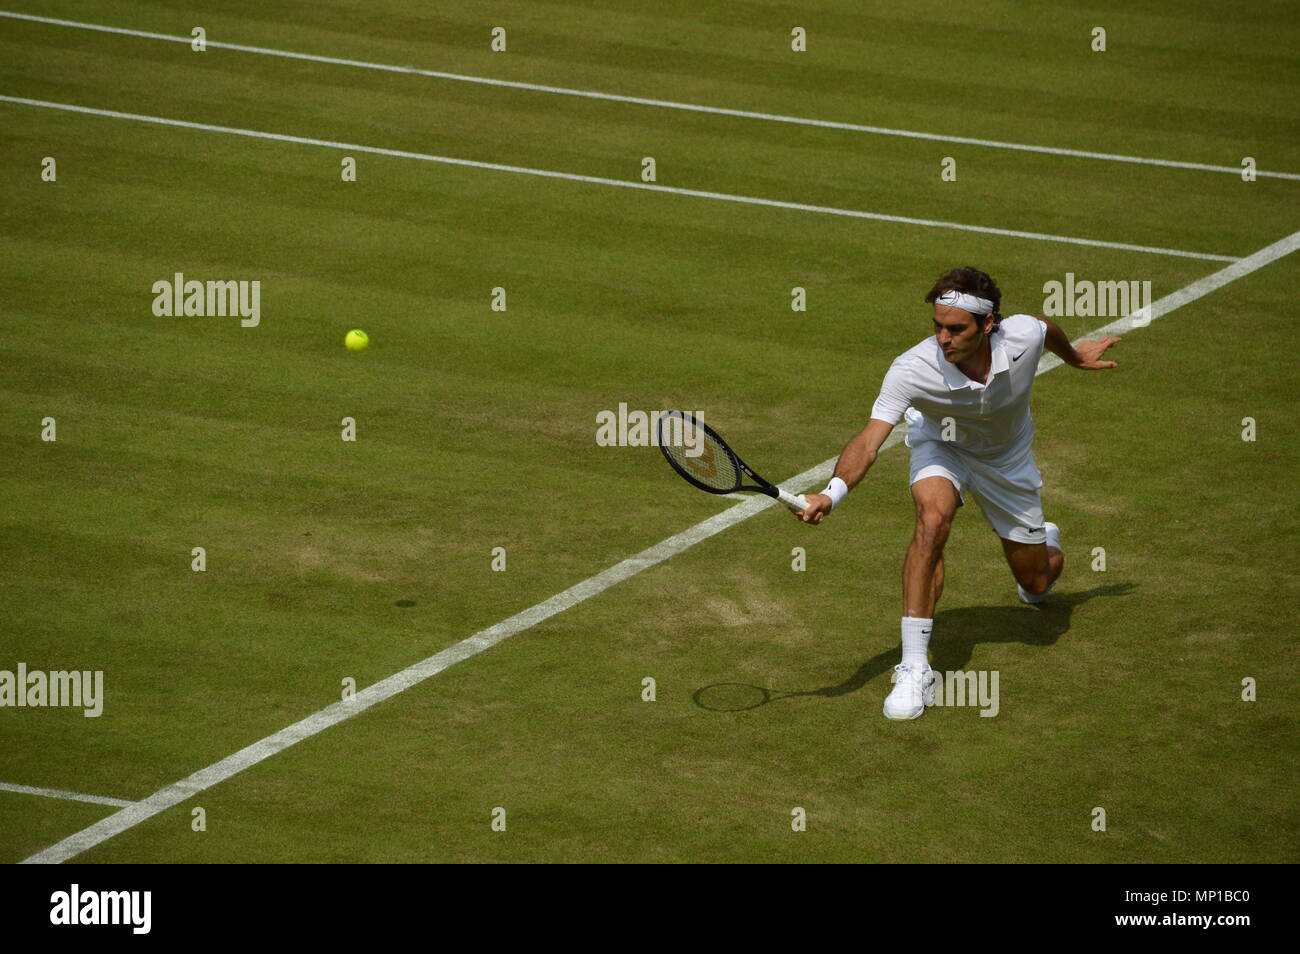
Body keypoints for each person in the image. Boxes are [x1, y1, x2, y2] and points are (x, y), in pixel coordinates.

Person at [795, 266, 1121, 720]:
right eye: (937, 326)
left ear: (988, 324)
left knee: (1038, 584)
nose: (944, 338)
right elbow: (870, 440)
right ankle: (914, 667)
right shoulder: (912, 368)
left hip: (1007, 461)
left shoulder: (1023, 334)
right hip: (942, 447)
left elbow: (1048, 331)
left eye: (956, 329)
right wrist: (832, 494)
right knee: (932, 522)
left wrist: (1075, 358)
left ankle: (1045, 539)